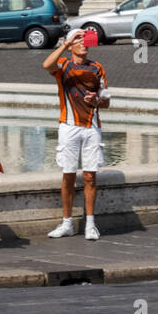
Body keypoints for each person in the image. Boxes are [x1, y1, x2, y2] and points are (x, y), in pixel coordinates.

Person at [43, 28, 110, 240]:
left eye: (84, 39)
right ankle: (67, 223)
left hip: (91, 127)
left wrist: (96, 100)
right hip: (68, 126)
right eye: (78, 40)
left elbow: (106, 101)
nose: (83, 43)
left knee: (90, 176)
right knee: (68, 175)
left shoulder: (97, 68)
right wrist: (65, 43)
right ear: (71, 44)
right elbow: (46, 65)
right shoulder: (63, 65)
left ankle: (90, 223)